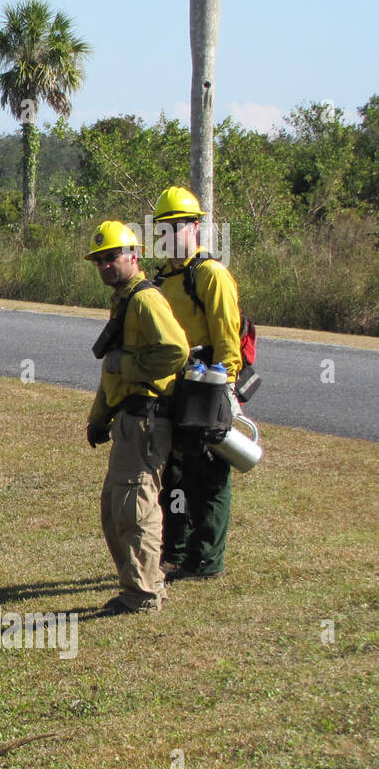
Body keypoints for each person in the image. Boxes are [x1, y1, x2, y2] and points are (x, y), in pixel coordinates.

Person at [85, 221, 189, 614]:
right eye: (99, 261)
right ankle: (143, 584)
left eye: (112, 258)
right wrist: (99, 418)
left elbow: (175, 351)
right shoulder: (123, 300)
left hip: (146, 419)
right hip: (126, 420)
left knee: (135, 509)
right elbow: (111, 371)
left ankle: (142, 596)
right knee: (116, 507)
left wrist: (128, 365)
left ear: (134, 256)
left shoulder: (145, 300)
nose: (105, 267)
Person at [151, 185, 242, 582]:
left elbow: (227, 339)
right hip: (173, 391)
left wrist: (227, 393)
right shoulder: (162, 279)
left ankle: (206, 560)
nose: (171, 235)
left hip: (207, 387)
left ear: (197, 227)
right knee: (174, 475)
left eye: (179, 226)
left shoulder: (210, 275)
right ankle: (177, 551)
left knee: (208, 473)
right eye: (164, 228)